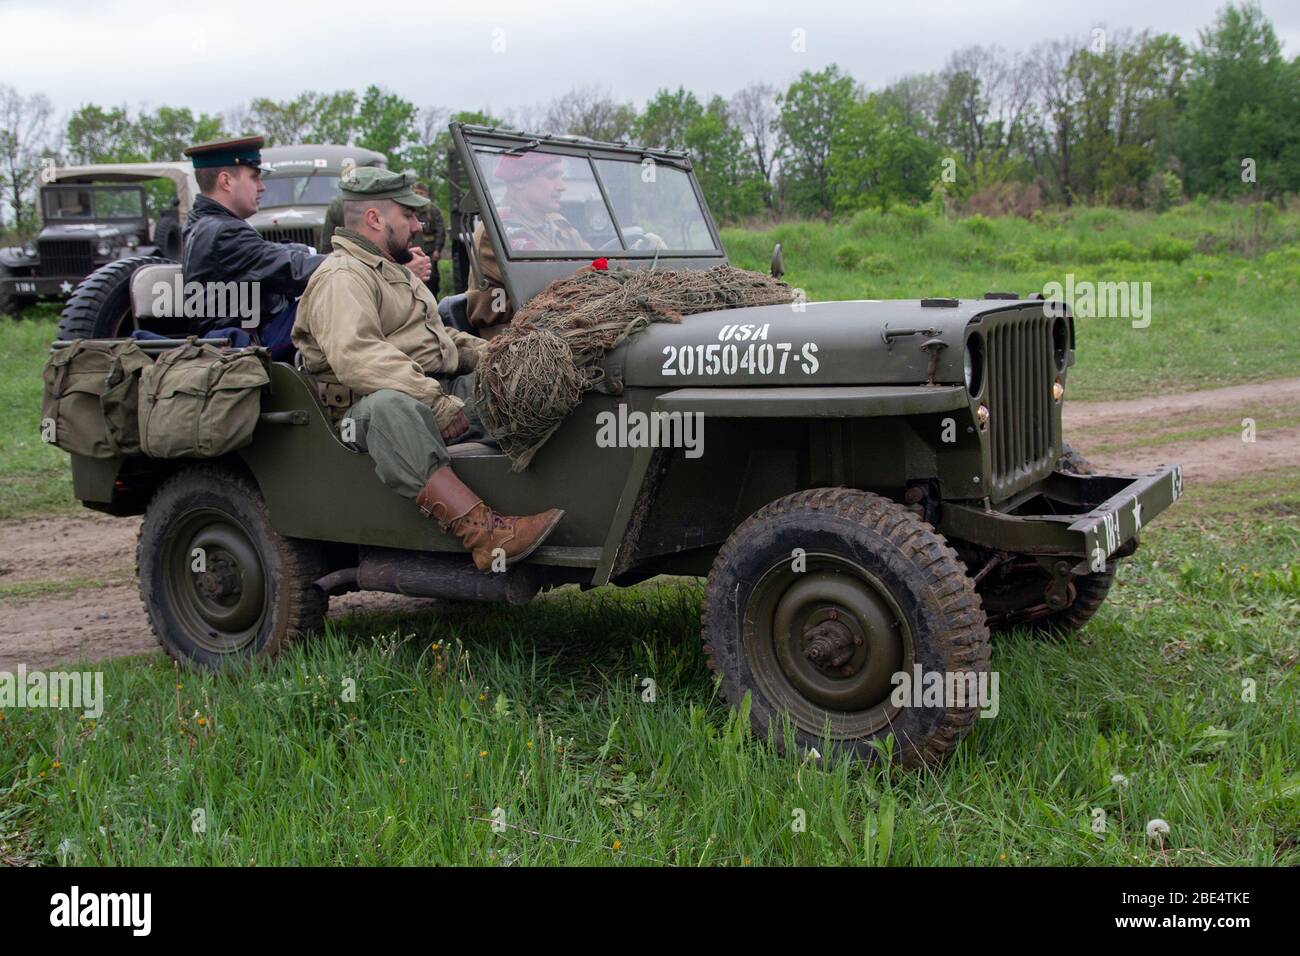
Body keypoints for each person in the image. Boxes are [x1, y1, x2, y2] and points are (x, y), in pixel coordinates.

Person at [292, 167, 563, 572]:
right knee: (392, 409)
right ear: (374, 219)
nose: (419, 225)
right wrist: (434, 401)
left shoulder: (392, 271)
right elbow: (358, 356)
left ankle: (567, 501)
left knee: (522, 380)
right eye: (409, 215)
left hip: (429, 390)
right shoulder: (342, 277)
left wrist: (502, 355)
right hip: (365, 410)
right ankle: (484, 535)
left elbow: (440, 341)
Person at [181, 135, 324, 358]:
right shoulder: (223, 232)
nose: (262, 187)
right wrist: (354, 262)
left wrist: (309, 252)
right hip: (246, 346)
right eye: (255, 178)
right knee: (332, 298)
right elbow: (292, 269)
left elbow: (265, 252)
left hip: (245, 336)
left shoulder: (204, 223)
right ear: (226, 181)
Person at [465, 152, 589, 337]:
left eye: (561, 177)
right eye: (551, 176)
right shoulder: (501, 229)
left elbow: (597, 263)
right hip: (515, 339)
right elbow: (549, 282)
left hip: (556, 326)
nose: (562, 186)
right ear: (520, 181)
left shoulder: (557, 224)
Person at [409, 182, 446, 298]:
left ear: (426, 194)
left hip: (429, 249)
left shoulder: (432, 210)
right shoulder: (409, 208)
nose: (418, 195)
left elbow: (440, 230)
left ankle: (433, 301)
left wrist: (437, 249)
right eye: (416, 193)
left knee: (431, 278)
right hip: (413, 249)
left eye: (421, 193)